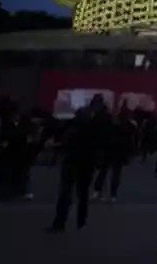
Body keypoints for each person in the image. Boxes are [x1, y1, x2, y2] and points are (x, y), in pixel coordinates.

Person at [48, 96, 107, 232]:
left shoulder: (74, 128)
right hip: (87, 162)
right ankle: (81, 220)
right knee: (83, 192)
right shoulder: (97, 126)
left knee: (66, 192)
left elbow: (66, 142)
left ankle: (60, 221)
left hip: (73, 161)